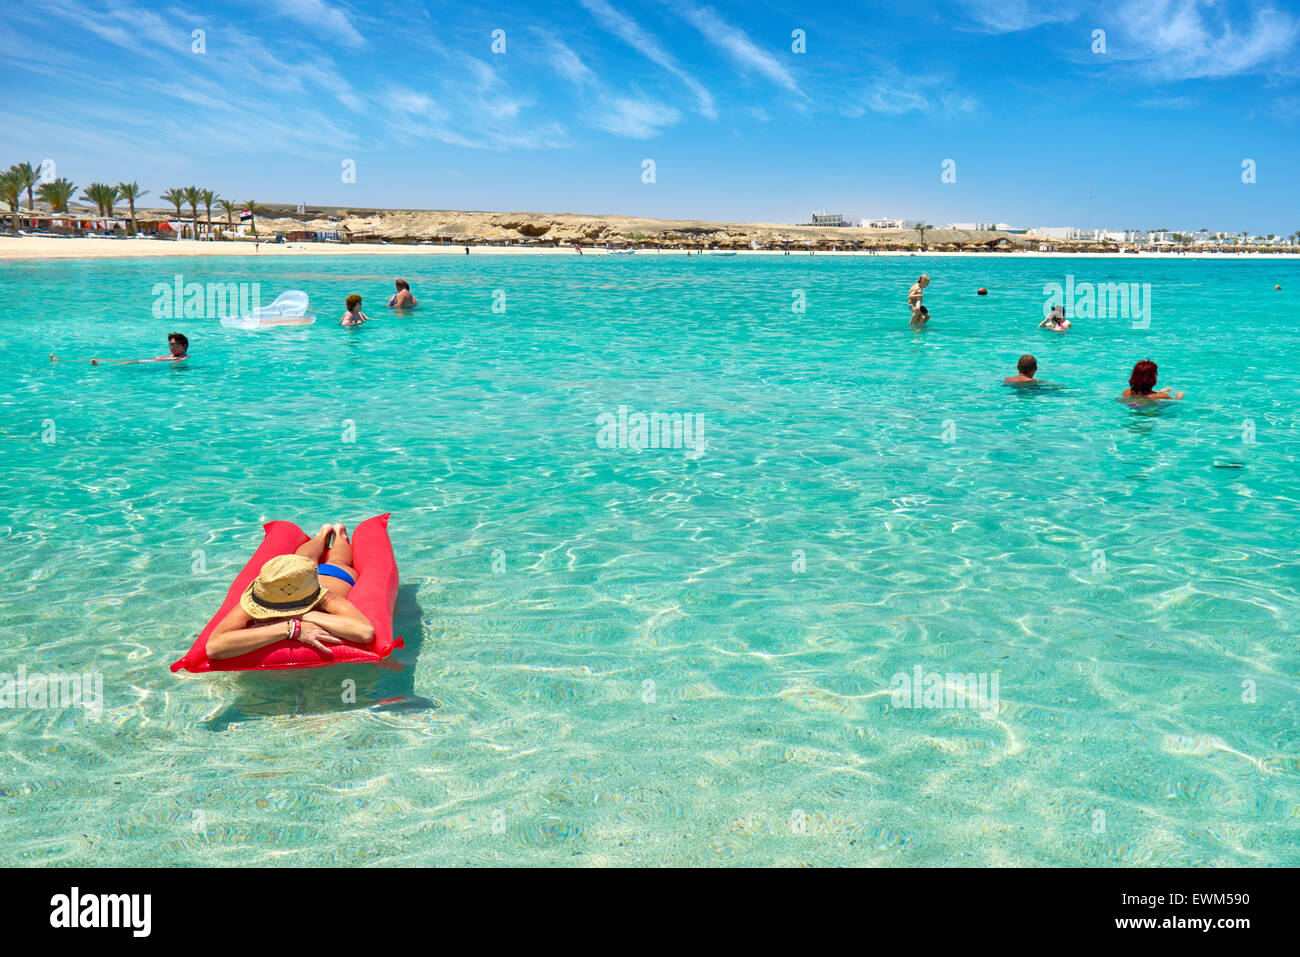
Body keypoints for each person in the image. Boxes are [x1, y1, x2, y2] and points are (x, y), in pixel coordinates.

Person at [205, 524, 374, 659]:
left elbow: (364, 632)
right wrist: (291, 628)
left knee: (337, 561)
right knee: (304, 561)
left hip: (334, 577)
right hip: (295, 582)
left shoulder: (325, 597)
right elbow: (214, 647)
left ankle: (339, 534)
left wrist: (303, 615)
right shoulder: (261, 598)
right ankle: (322, 535)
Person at [56, 333, 189, 366]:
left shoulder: (184, 357)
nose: (172, 347)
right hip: (149, 360)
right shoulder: (171, 355)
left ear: (184, 346)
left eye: (175, 345)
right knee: (119, 358)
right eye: (170, 345)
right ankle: (63, 360)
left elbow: (177, 364)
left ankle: (102, 366)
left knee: (127, 362)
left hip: (147, 363)